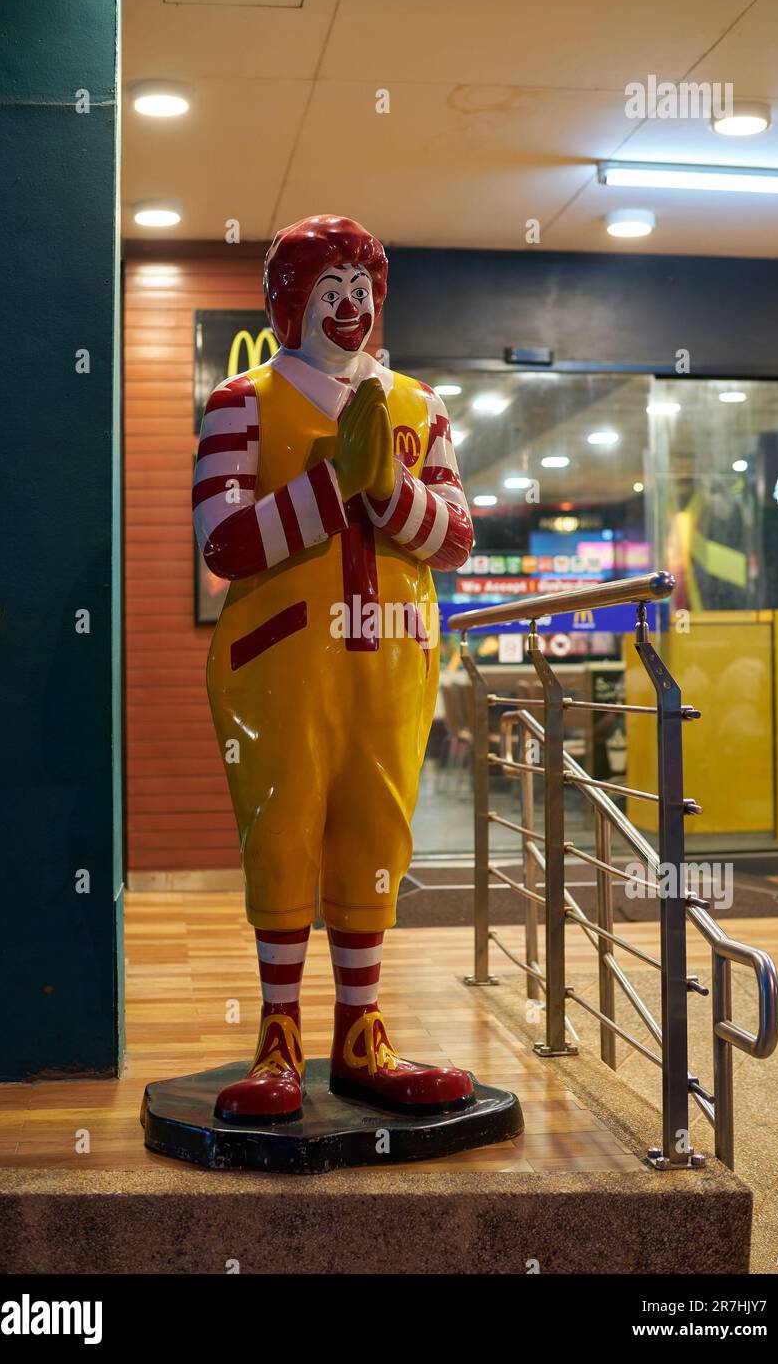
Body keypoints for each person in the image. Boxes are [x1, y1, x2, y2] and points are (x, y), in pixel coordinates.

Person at [193, 215, 475, 1120]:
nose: (350, 306)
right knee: (281, 832)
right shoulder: (242, 399)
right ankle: (279, 1036)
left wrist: (387, 490)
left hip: (390, 655)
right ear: (288, 304)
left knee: (375, 835)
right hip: (278, 665)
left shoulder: (419, 405)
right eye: (329, 288)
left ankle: (361, 1035)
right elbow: (223, 541)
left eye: (362, 287)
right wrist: (333, 486)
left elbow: (459, 537)